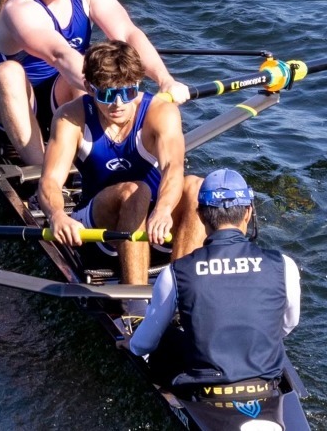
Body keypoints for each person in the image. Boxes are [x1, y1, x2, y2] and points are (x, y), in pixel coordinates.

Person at [0, 0, 189, 164]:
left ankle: (100, 158)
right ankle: (41, 171)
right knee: (10, 72)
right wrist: (115, 93)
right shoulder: (20, 8)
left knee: (93, 66)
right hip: (6, 103)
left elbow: (127, 34)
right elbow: (60, 55)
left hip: (58, 93)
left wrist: (164, 79)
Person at [128, 169, 309, 431]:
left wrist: (131, 341)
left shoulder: (175, 273)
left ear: (201, 216)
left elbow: (142, 345)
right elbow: (286, 325)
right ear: (248, 213)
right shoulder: (284, 265)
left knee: (164, 338)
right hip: (265, 386)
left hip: (205, 393)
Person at [37, 40, 203, 288]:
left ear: (138, 85)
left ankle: (184, 291)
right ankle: (135, 302)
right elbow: (50, 181)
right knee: (134, 191)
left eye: (128, 93)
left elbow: (173, 168)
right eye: (107, 94)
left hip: (155, 223)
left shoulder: (160, 112)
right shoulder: (71, 117)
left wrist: (164, 209)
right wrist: (57, 215)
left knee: (196, 186)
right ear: (89, 88)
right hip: (101, 227)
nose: (118, 104)